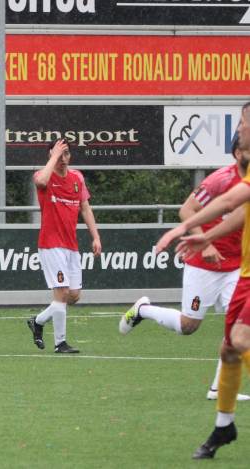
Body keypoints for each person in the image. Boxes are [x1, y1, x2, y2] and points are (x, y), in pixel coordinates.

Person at [155, 101, 250, 459]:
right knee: (227, 349)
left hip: (241, 273)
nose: (238, 130)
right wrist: (206, 237)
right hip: (242, 273)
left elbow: (233, 199)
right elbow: (238, 209)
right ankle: (224, 427)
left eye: (243, 123)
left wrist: (184, 228)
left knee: (240, 338)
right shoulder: (232, 175)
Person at [125, 137, 250, 400]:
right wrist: (205, 243)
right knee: (188, 326)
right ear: (238, 153)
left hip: (236, 268)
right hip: (204, 264)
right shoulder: (220, 180)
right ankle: (143, 310)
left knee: (239, 327)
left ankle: (219, 388)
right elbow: (186, 210)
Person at [26, 140, 101, 354]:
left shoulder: (77, 178)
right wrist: (53, 157)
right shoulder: (44, 175)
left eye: (66, 153)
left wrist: (95, 237)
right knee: (61, 293)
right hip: (51, 244)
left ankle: (38, 321)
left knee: (74, 295)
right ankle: (60, 343)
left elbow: (85, 209)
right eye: (58, 154)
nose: (62, 158)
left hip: (71, 245)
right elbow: (40, 182)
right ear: (50, 155)